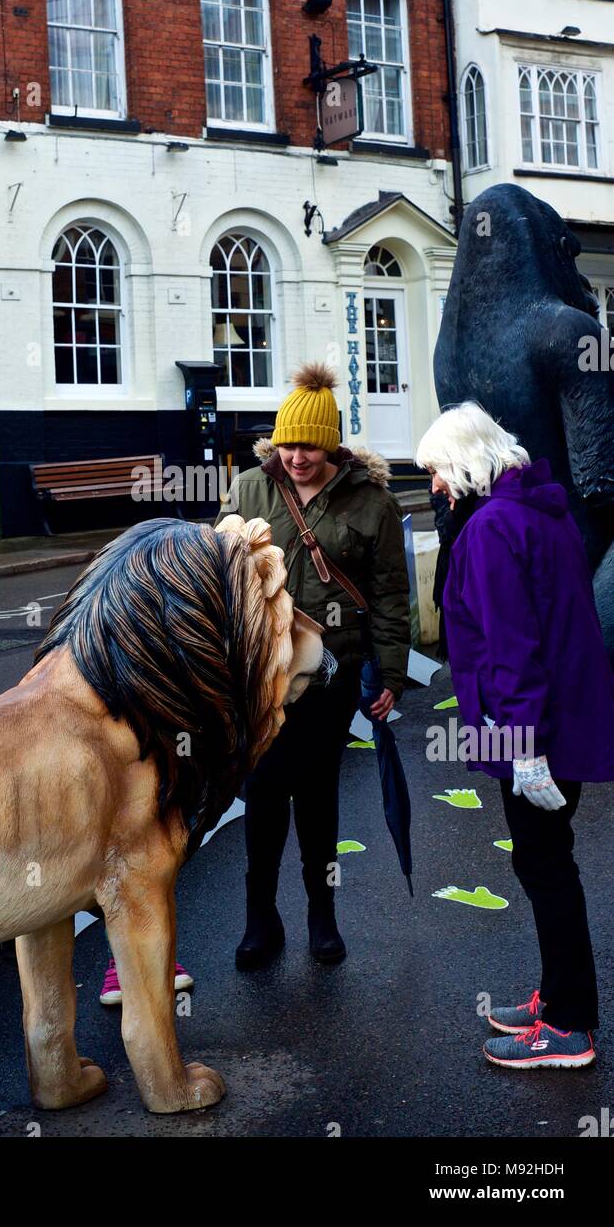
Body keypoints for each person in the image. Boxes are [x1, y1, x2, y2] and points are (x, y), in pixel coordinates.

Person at [417, 401, 614, 1069]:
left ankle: (568, 1026)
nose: (435, 486)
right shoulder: (539, 513)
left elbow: (510, 648)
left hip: (528, 734)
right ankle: (559, 1000)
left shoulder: (491, 528)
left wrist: (523, 746)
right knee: (547, 862)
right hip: (561, 724)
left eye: (438, 472)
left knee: (546, 868)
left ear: (465, 463)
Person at [218, 362, 410, 969]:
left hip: (335, 671)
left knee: (319, 795)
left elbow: (388, 593)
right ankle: (259, 919)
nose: (297, 457)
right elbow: (217, 574)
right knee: (264, 794)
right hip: (263, 674)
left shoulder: (371, 501)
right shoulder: (250, 489)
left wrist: (392, 672)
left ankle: (322, 918)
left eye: (309, 445)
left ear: (331, 445)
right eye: (287, 444)